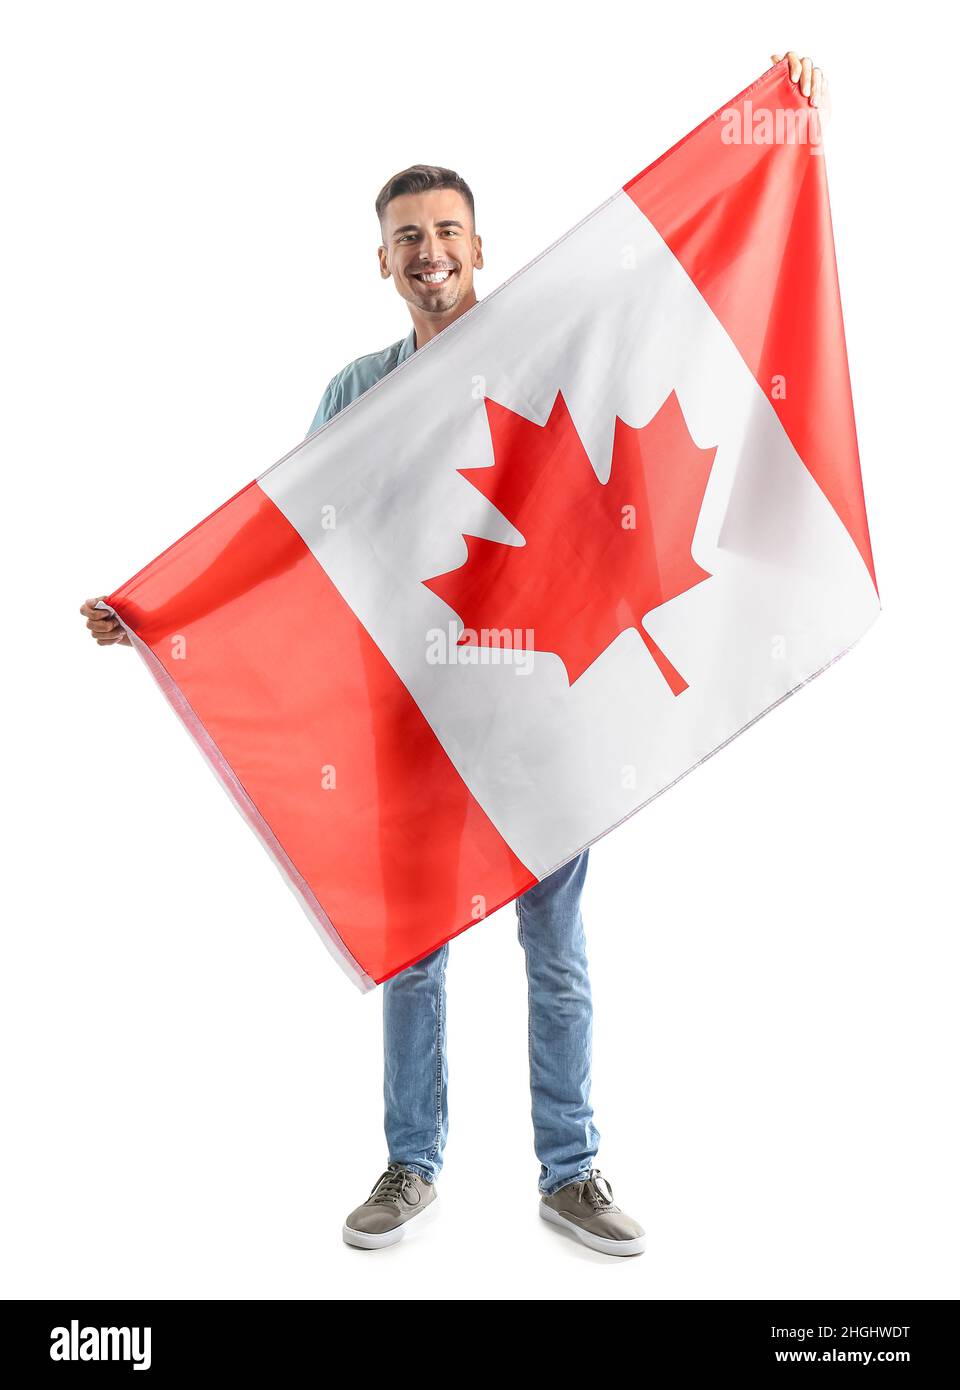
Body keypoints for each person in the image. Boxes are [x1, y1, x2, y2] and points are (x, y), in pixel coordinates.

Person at [80, 50, 827, 1259]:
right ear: (381, 260)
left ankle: (571, 1169)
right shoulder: (355, 394)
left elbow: (659, 312)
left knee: (557, 951)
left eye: (447, 230)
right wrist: (160, 610)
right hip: (411, 718)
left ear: (480, 248)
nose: (430, 251)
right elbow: (286, 546)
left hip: (540, 701)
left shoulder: (536, 347)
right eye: (407, 236)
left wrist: (777, 128)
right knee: (413, 950)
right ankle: (413, 1163)